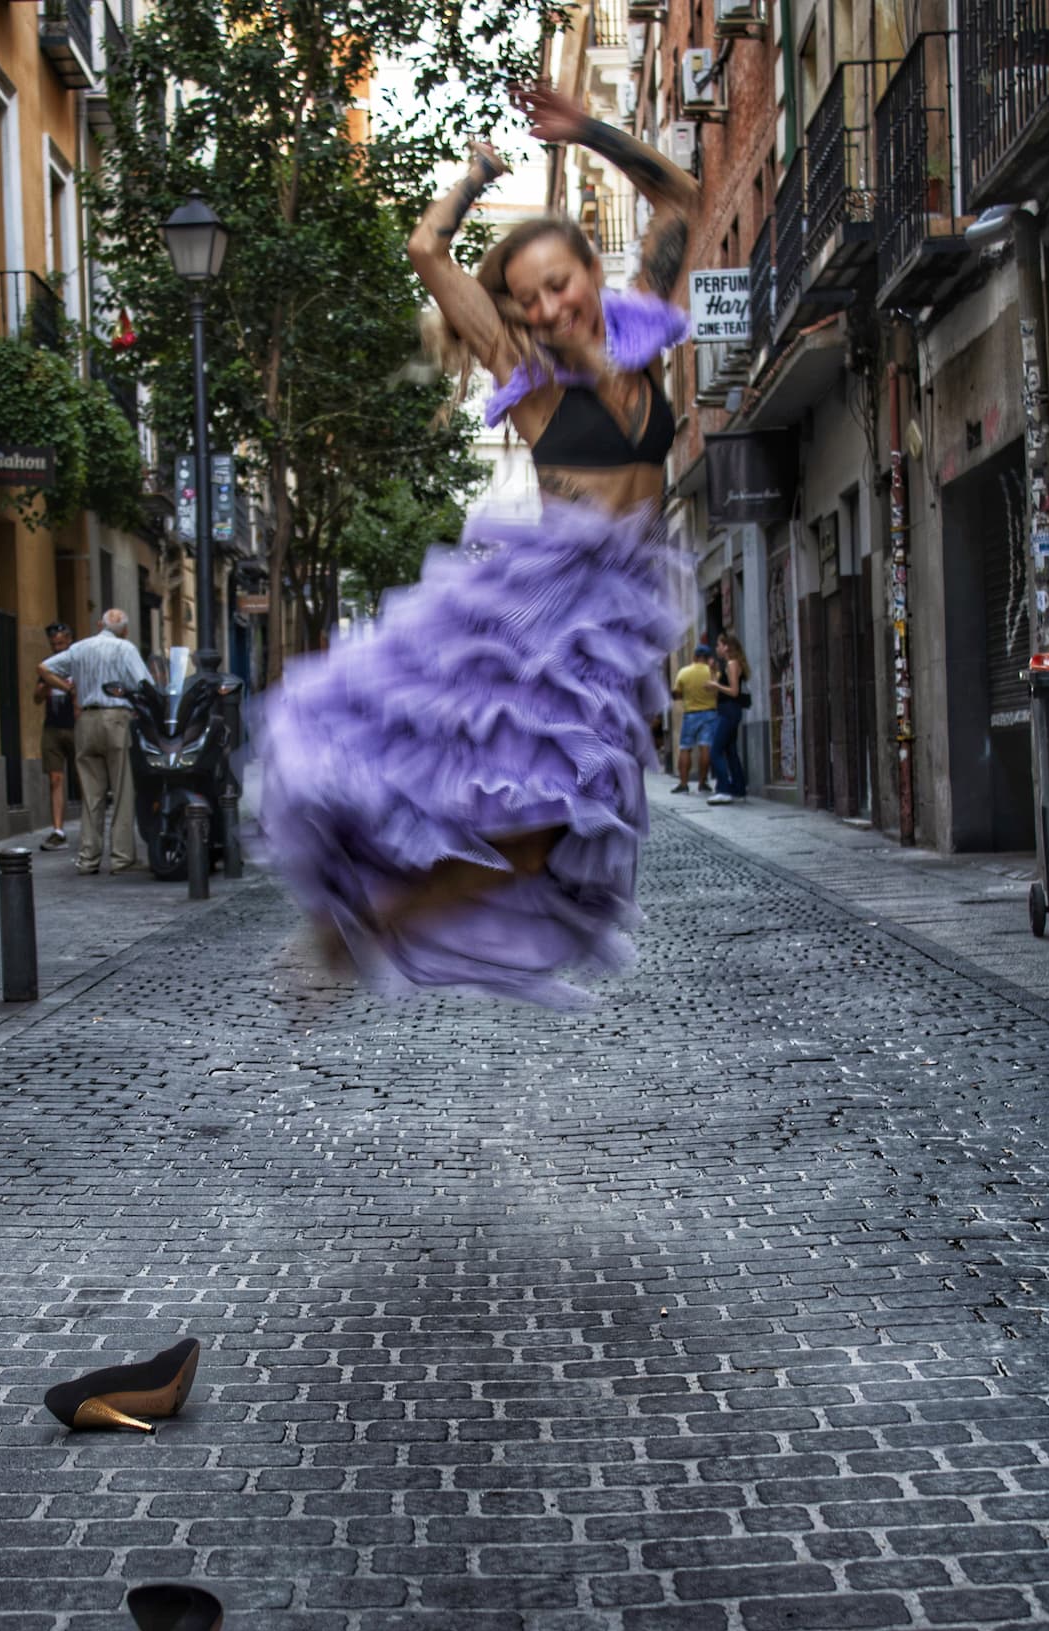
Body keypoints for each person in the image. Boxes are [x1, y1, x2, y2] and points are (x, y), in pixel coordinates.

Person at [252, 82, 698, 1008]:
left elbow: (682, 201)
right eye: (529, 297)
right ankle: (359, 920)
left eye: (559, 283)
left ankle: (370, 925)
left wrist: (588, 134)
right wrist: (476, 177)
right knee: (502, 804)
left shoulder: (643, 338)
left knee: (545, 839)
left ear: (589, 271)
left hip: (619, 622)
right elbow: (426, 250)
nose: (548, 307)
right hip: (552, 610)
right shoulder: (528, 381)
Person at [37, 609, 151, 875]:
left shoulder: (79, 648)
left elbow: (43, 668)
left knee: (91, 794)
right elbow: (145, 684)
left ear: (100, 625)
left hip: (85, 721)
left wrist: (69, 688)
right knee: (122, 790)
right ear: (124, 630)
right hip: (116, 720)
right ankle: (122, 858)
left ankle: (88, 858)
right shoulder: (125, 648)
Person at [34, 622, 76, 849]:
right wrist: (43, 689)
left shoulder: (77, 663)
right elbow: (36, 698)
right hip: (52, 726)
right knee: (55, 779)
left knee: (84, 778)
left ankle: (91, 828)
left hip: (76, 726)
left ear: (69, 641)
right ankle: (58, 830)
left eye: (60, 643)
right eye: (54, 644)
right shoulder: (47, 667)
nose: (57, 648)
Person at [707, 629, 750, 805]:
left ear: (726, 647)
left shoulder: (732, 664)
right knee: (730, 751)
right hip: (728, 710)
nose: (716, 648)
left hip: (729, 711)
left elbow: (734, 691)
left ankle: (724, 789)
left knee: (715, 750)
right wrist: (713, 673)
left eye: (718, 644)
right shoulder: (729, 664)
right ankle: (739, 789)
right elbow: (719, 690)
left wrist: (715, 684)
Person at [670, 642, 718, 793]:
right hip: (710, 713)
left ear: (695, 656)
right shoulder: (712, 673)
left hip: (690, 714)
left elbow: (676, 694)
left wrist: (687, 696)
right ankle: (703, 783)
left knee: (685, 748)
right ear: (708, 658)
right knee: (706, 748)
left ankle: (683, 784)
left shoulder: (684, 672)